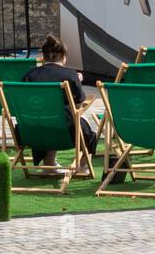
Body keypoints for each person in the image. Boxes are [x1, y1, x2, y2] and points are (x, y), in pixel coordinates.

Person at [20, 35, 97, 173]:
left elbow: (24, 104)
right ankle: (82, 166)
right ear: (63, 57)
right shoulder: (70, 75)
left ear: (43, 57)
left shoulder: (29, 75)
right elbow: (78, 106)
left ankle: (49, 164)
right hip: (66, 131)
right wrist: (77, 80)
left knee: (49, 116)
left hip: (32, 129)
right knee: (75, 121)